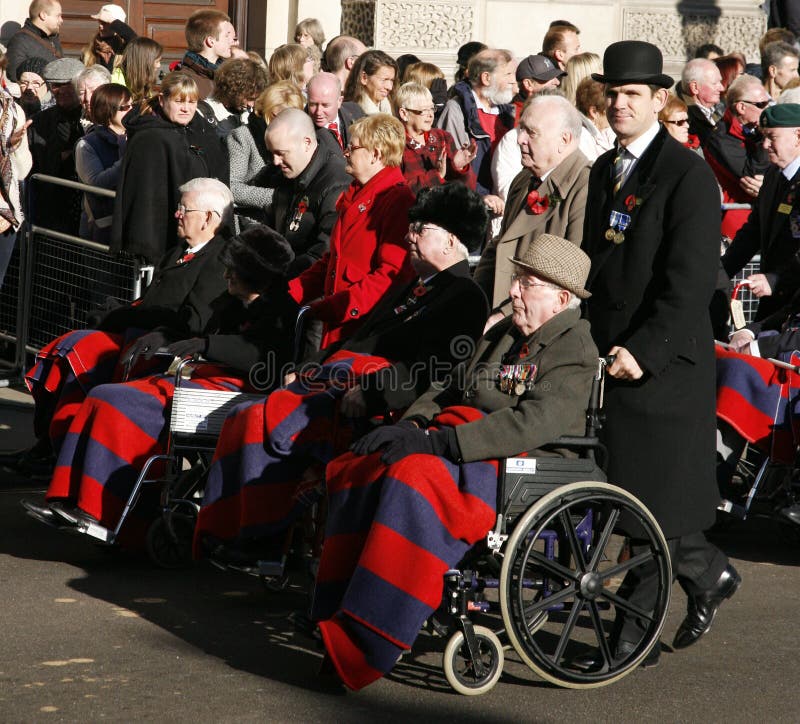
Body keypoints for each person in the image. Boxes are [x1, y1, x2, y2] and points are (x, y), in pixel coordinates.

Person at [312, 233, 597, 690]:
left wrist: (439, 445)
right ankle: (333, 609)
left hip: (517, 464)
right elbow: (449, 385)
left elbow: (529, 425)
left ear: (561, 298)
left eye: (527, 284)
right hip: (463, 443)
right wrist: (412, 425)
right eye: (517, 280)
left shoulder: (574, 349)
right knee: (362, 467)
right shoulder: (505, 334)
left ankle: (367, 638)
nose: (513, 292)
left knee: (410, 479)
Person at [195, 183, 490, 565]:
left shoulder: (465, 295)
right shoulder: (413, 286)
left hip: (379, 401)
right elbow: (362, 337)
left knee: (262, 419)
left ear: (451, 241)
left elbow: (434, 369)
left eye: (419, 229)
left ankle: (262, 537)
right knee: (244, 416)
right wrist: (307, 368)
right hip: (342, 380)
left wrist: (372, 392)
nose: (408, 236)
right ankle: (237, 528)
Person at [582, 40, 740, 665]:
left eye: (632, 95)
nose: (619, 104)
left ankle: (631, 639)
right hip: (612, 352)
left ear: (659, 100)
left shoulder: (687, 176)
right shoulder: (605, 169)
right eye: (612, 94)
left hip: (664, 362)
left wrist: (642, 352)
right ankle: (705, 575)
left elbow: (689, 282)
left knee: (650, 502)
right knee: (646, 499)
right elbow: (600, 265)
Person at [22, 223, 298, 544]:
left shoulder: (282, 311)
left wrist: (207, 346)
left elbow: (264, 356)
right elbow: (196, 335)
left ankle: (99, 509)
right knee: (102, 397)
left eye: (234, 270)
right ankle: (70, 498)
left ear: (255, 275)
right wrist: (167, 337)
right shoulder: (230, 303)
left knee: (111, 399)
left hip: (235, 391)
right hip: (200, 379)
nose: (227, 276)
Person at [3, 178, 235, 479]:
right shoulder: (179, 249)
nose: (177, 214)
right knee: (70, 348)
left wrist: (126, 318)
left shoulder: (217, 259)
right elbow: (151, 300)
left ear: (208, 218)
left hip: (158, 348)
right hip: (135, 335)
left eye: (183, 209)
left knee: (81, 352)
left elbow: (192, 321)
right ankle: (47, 445)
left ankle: (61, 455)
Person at [288, 113, 415, 349]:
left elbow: (392, 274)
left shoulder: (397, 200)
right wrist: (291, 293)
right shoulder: (357, 194)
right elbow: (333, 261)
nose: (345, 152)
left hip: (362, 329)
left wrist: (341, 305)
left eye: (353, 147)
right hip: (338, 323)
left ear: (376, 154)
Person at [476, 94, 590, 311]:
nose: (520, 139)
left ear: (563, 140)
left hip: (535, 316)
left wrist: (506, 314)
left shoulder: (584, 186)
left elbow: (567, 276)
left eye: (532, 132)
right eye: (521, 129)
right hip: (503, 308)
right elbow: (501, 245)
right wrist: (475, 296)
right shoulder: (523, 179)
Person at [112, 72, 229, 263]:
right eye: (179, 101)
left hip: (204, 231)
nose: (186, 108)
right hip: (164, 237)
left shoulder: (202, 129)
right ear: (162, 99)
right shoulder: (149, 137)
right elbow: (147, 200)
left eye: (191, 102)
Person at [721, 104, 800, 322]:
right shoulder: (774, 176)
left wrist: (775, 280)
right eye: (763, 137)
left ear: (798, 136)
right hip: (773, 302)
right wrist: (720, 272)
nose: (765, 145)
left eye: (772, 137)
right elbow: (753, 232)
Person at [264, 108, 351, 277]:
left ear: (306, 143)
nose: (275, 161)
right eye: (272, 153)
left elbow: (324, 252)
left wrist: (277, 281)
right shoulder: (286, 172)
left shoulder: (336, 184)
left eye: (281, 153)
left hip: (304, 284)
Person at [437, 48, 515, 207]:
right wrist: (479, 197)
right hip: (470, 207)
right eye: (507, 74)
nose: (513, 81)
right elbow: (452, 168)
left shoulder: (505, 112)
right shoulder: (457, 110)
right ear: (486, 78)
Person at [703, 74, 771, 239]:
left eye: (768, 102)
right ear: (741, 107)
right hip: (739, 222)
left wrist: (770, 186)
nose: (767, 110)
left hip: (765, 214)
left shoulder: (755, 130)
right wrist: (765, 139)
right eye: (761, 104)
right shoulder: (721, 137)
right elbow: (751, 177)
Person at [227, 80, 304, 225]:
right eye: (276, 116)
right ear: (266, 111)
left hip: (287, 222)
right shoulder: (243, 136)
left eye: (288, 117)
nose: (282, 122)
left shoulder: (297, 137)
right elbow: (232, 187)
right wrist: (277, 197)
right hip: (252, 222)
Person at [27, 56, 85, 235]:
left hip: (82, 207)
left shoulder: (92, 119)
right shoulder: (39, 122)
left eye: (65, 85)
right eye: (54, 86)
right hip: (50, 208)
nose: (59, 91)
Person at [74, 83, 131, 243]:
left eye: (133, 105)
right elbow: (96, 185)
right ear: (108, 110)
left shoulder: (136, 136)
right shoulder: (87, 144)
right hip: (100, 228)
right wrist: (128, 160)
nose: (132, 110)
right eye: (125, 107)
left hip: (129, 224)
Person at [396, 82, 476, 194]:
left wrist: (459, 167)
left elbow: (469, 189)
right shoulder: (395, 145)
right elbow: (398, 192)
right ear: (404, 114)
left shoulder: (443, 137)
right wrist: (436, 176)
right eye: (423, 110)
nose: (430, 114)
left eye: (432, 108)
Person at [0, 55, 32, 291]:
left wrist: (14, 147)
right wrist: (5, 145)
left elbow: (22, 169)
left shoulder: (13, 111)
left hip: (4, 213)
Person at [179, 9, 237, 100]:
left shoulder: (227, 76)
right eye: (227, 36)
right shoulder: (185, 81)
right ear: (210, 41)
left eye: (233, 37)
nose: (233, 42)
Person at [203, 58, 269, 138]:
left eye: (255, 99)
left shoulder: (252, 115)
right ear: (233, 90)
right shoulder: (204, 115)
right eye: (249, 98)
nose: (251, 104)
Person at [5, 0, 63, 83]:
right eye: (58, 16)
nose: (61, 20)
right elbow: (15, 76)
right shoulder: (20, 41)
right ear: (43, 15)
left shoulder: (53, 38)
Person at [305, 71, 364, 150]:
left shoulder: (355, 112)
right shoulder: (300, 130)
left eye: (325, 105)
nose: (318, 112)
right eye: (313, 104)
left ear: (339, 101)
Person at [682, 58, 725, 146]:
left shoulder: (722, 111)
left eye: (720, 82)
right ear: (695, 87)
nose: (722, 88)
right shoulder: (683, 120)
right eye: (714, 83)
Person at [81, 4, 136, 71]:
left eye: (105, 23)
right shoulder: (90, 50)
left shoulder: (125, 49)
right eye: (100, 22)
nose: (100, 26)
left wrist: (112, 20)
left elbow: (135, 41)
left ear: (116, 26)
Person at [343, 50, 397, 116]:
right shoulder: (349, 115)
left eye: (392, 80)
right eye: (384, 80)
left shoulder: (388, 108)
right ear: (364, 78)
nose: (389, 87)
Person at [575, 77, 616, 162]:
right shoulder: (582, 138)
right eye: (608, 110)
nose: (614, 114)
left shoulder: (603, 130)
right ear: (594, 112)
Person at [110, 37, 163, 103]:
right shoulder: (116, 85)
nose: (159, 65)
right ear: (144, 62)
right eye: (157, 61)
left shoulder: (142, 79)